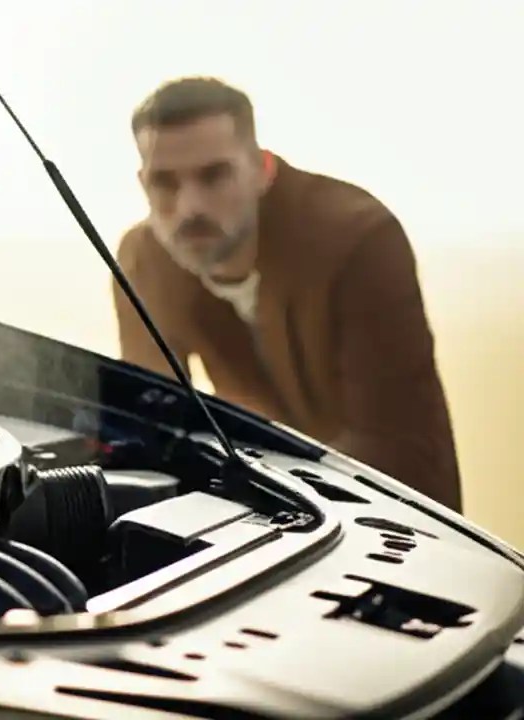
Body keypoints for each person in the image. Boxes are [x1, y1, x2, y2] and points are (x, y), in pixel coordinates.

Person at [113, 76, 462, 512]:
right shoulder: (144, 259)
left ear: (263, 169)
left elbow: (390, 444)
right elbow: (148, 425)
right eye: (164, 182)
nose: (190, 207)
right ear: (142, 183)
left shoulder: (356, 238)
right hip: (261, 507)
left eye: (214, 175)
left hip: (400, 516)